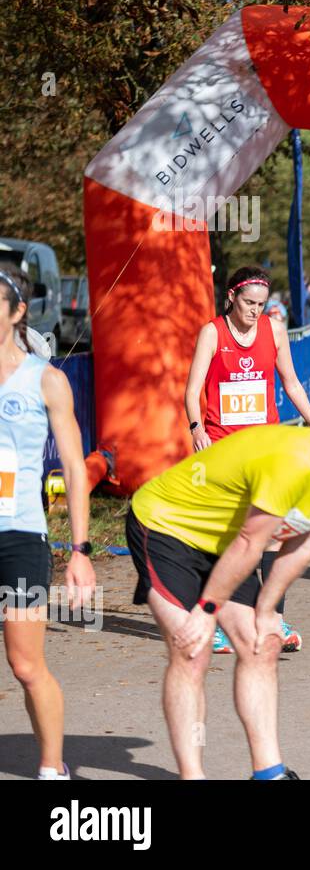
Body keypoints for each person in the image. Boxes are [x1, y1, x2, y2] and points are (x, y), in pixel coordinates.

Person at [127, 414, 310, 779]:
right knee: (191, 650)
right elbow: (251, 543)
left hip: (225, 541)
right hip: (167, 527)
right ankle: (192, 775)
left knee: (263, 645)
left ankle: (269, 772)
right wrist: (206, 609)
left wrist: (267, 610)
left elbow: (303, 543)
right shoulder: (294, 464)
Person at [184, 266, 310, 654]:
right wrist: (196, 428)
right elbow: (192, 390)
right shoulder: (212, 333)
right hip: (226, 451)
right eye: (248, 303)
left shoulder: (274, 330)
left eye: (261, 304)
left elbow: (290, 381)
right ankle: (226, 624)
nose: (254, 311)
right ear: (231, 297)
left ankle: (273, 619)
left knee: (275, 535)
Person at [0, 264, 96, 779]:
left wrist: (79, 552)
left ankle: (53, 769)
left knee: (25, 664)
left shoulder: (47, 380)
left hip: (20, 536)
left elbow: (77, 469)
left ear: (17, 312)